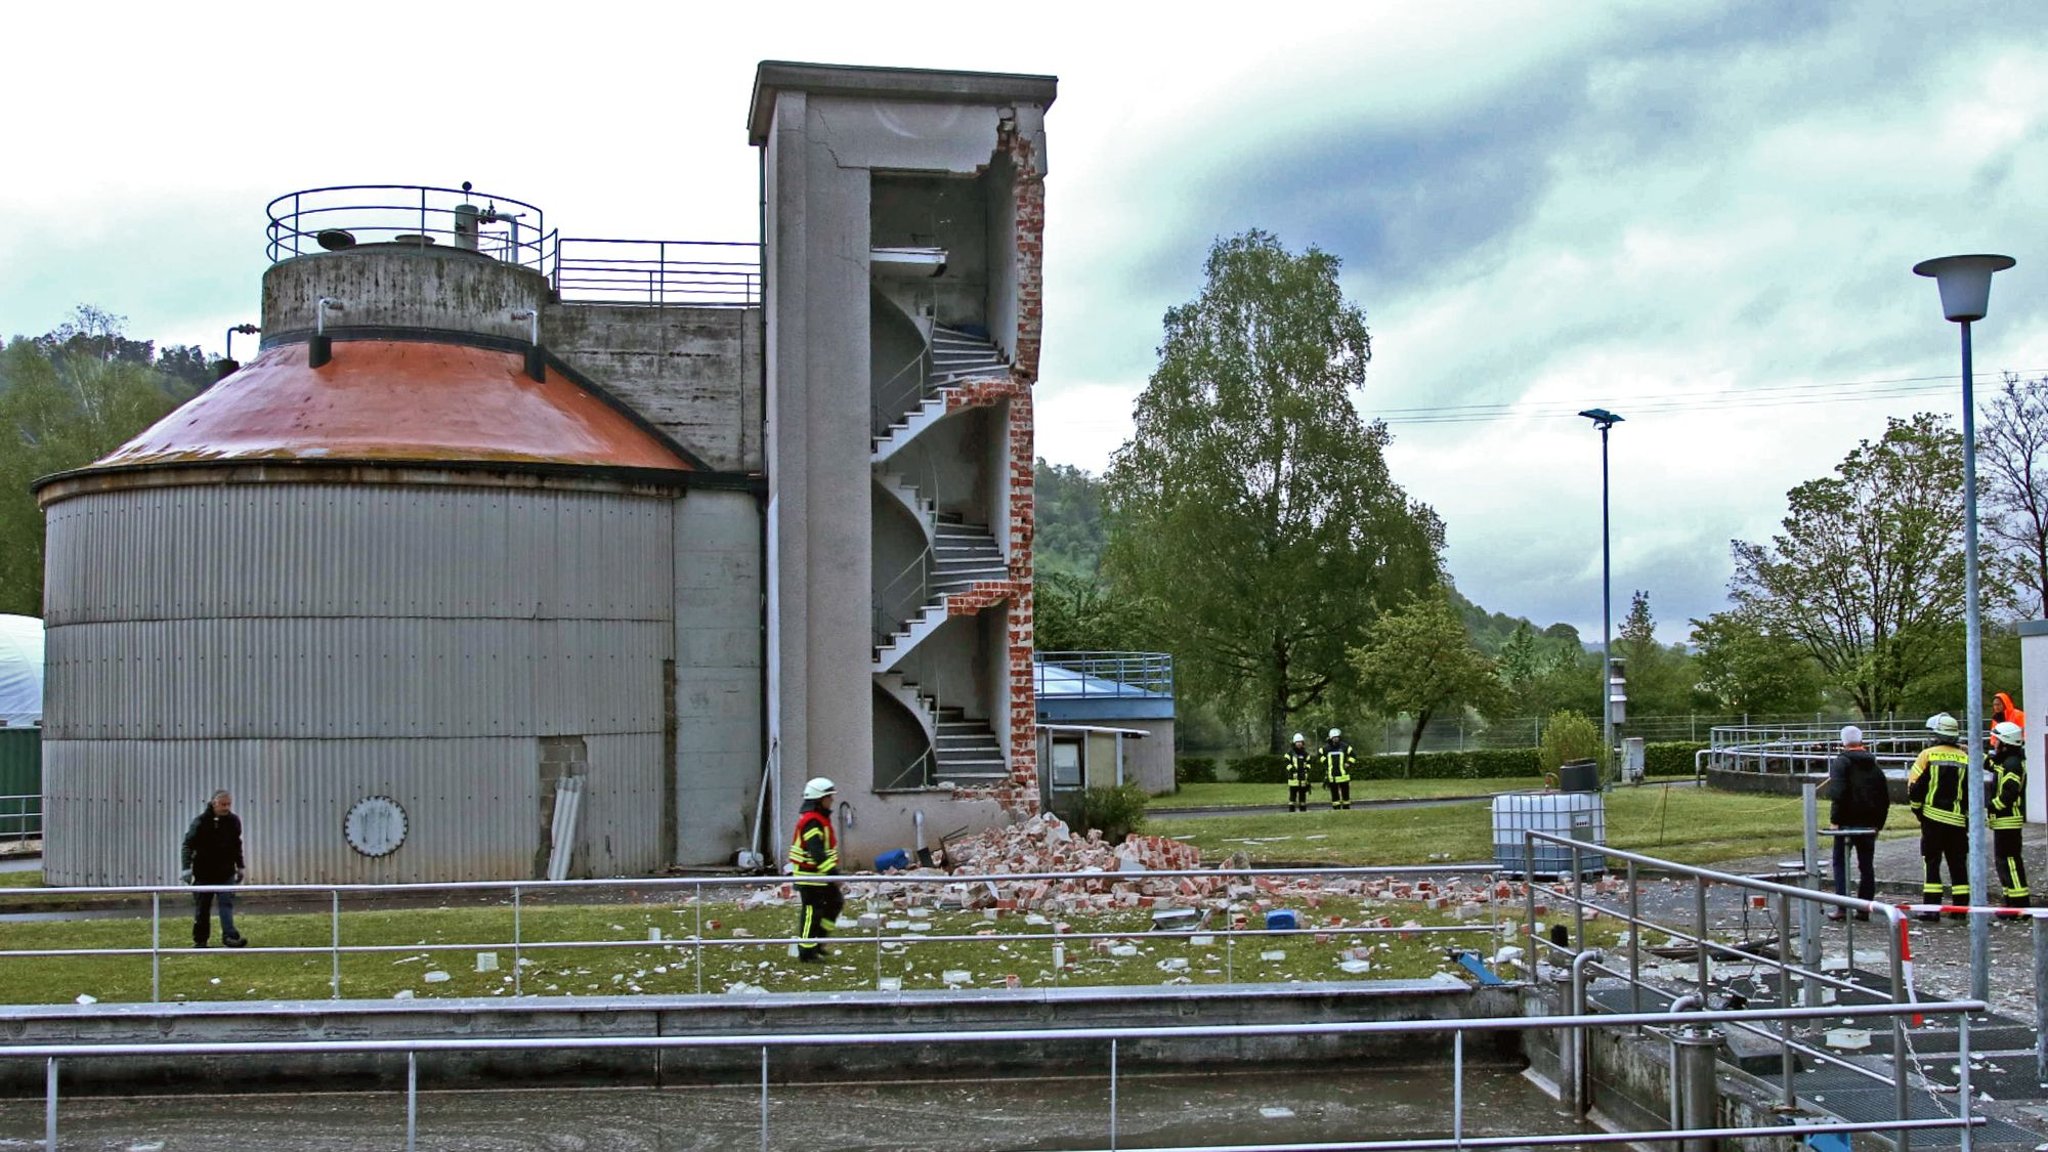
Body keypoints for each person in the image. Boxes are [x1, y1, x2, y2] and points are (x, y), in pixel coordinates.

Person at [1907, 713, 1971, 922]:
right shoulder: (1965, 757)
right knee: (1958, 865)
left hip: (1933, 819)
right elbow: (1972, 791)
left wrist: (1918, 811)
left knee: (1932, 863)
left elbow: (1914, 788)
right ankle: (1961, 910)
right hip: (1958, 821)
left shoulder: (1928, 755)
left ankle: (1931, 909)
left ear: (1936, 735)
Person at [1824, 725, 1889, 921]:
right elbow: (1884, 798)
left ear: (1843, 742)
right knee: (1866, 865)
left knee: (1840, 863)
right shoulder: (1875, 766)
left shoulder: (1841, 763)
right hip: (1869, 824)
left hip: (1845, 823)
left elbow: (1838, 794)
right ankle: (1864, 908)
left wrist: (1835, 820)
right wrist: (1878, 824)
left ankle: (1843, 907)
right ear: (1861, 741)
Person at [180, 789, 246, 948]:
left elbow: (236, 845)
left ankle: (230, 936)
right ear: (214, 804)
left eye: (228, 804)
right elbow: (188, 845)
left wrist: (240, 866)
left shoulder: (233, 822)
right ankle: (200, 939)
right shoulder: (201, 822)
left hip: (226, 871)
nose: (226, 808)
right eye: (223, 804)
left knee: (226, 904)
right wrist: (186, 868)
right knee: (202, 907)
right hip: (204, 872)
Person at [788, 776, 842, 963]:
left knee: (835, 902)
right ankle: (806, 952)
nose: (832, 800)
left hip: (819, 875)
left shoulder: (819, 819)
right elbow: (816, 850)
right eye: (829, 796)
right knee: (812, 912)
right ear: (819, 799)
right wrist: (832, 873)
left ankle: (818, 942)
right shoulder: (812, 821)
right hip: (809, 876)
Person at [1989, 720, 2030, 912]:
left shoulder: (2012, 764)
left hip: (2008, 821)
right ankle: (2010, 902)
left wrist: (1993, 806)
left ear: (2005, 743)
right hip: (2004, 821)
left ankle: (2019, 906)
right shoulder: (2007, 761)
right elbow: (1993, 765)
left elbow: (2010, 792)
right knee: (2003, 862)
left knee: (2010, 862)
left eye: (1996, 740)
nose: (1994, 743)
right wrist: (1969, 751)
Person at [1320, 728, 1353, 811]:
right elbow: (1319, 755)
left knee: (1346, 795)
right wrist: (1326, 762)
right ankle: (1336, 809)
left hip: (1344, 776)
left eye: (1337, 737)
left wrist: (1348, 763)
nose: (1336, 739)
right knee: (1334, 795)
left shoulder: (1345, 746)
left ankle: (1346, 809)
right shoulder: (1326, 748)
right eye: (1334, 737)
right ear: (1330, 738)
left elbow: (1353, 755)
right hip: (1332, 776)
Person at [1283, 734, 1314, 813]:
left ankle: (1303, 810)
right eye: (1297, 742)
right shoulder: (1289, 753)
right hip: (1293, 779)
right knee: (1292, 796)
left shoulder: (1305, 754)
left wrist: (1306, 770)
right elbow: (1286, 763)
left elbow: (1309, 763)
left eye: (1300, 742)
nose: (1299, 744)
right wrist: (1293, 770)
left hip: (1303, 779)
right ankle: (1291, 810)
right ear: (1294, 743)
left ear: (1303, 743)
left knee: (1302, 796)